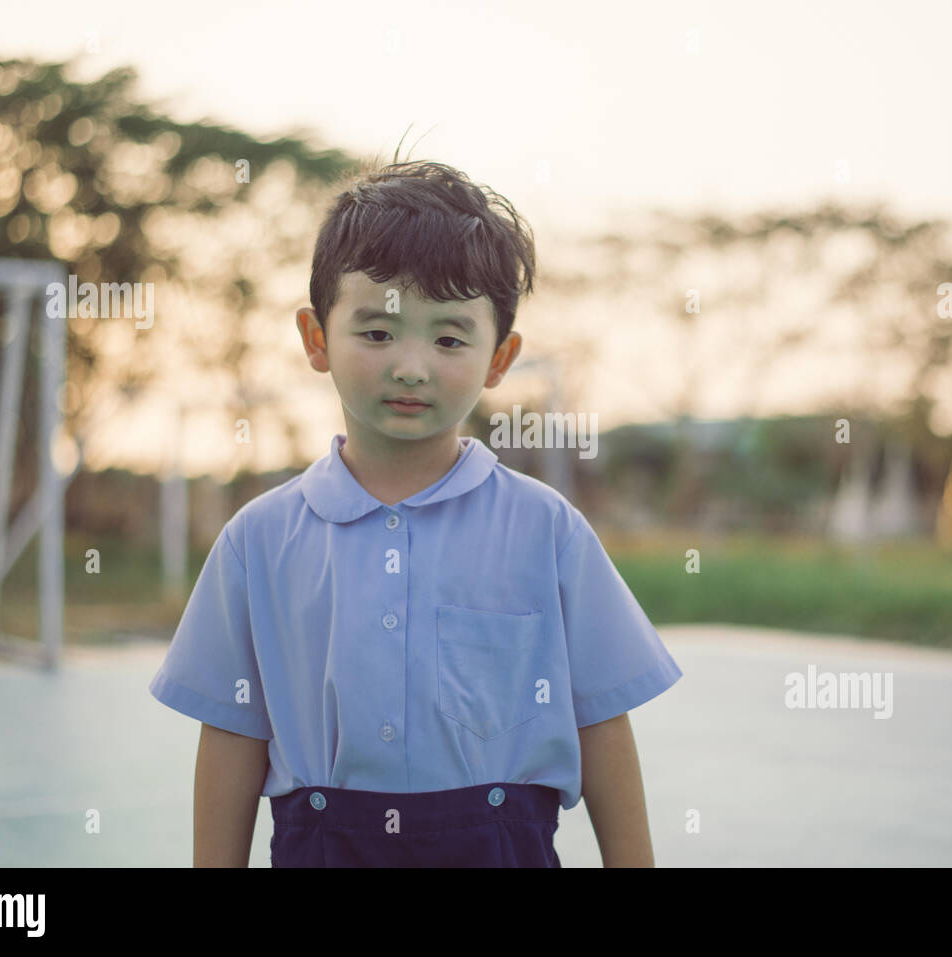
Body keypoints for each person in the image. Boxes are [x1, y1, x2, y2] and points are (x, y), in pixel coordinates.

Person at [148, 157, 683, 867]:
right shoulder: (258, 541)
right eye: (377, 333)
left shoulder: (546, 530)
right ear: (316, 338)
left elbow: (601, 724)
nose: (411, 365)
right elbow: (232, 736)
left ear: (500, 357)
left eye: (449, 338)